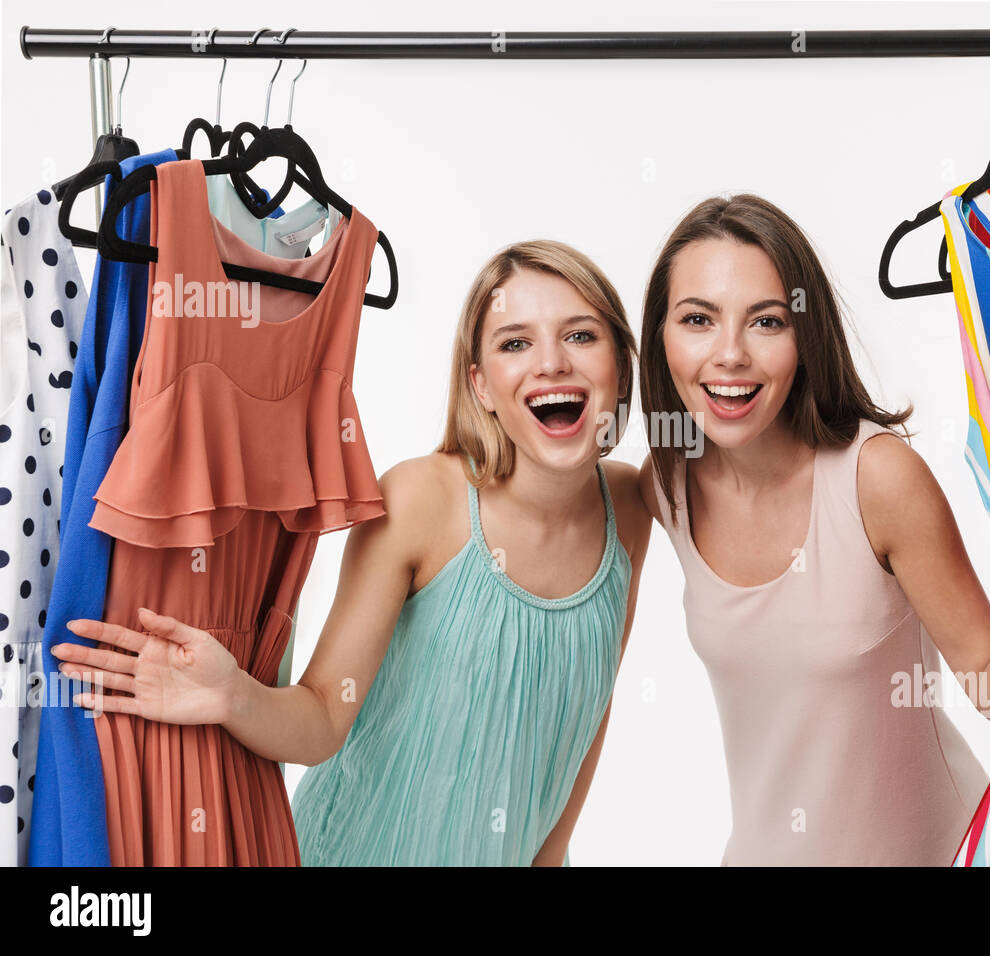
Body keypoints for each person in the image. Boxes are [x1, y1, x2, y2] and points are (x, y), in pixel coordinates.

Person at [636, 194, 990, 865]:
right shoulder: (668, 482)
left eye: (766, 321)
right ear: (660, 337)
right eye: (698, 319)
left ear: (804, 335)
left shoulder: (877, 480)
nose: (729, 354)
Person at [55, 240, 651, 866]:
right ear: (481, 386)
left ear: (620, 362)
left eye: (581, 336)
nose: (551, 363)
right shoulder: (423, 500)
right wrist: (232, 694)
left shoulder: (630, 511)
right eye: (514, 343)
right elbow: (322, 717)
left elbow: (585, 719)